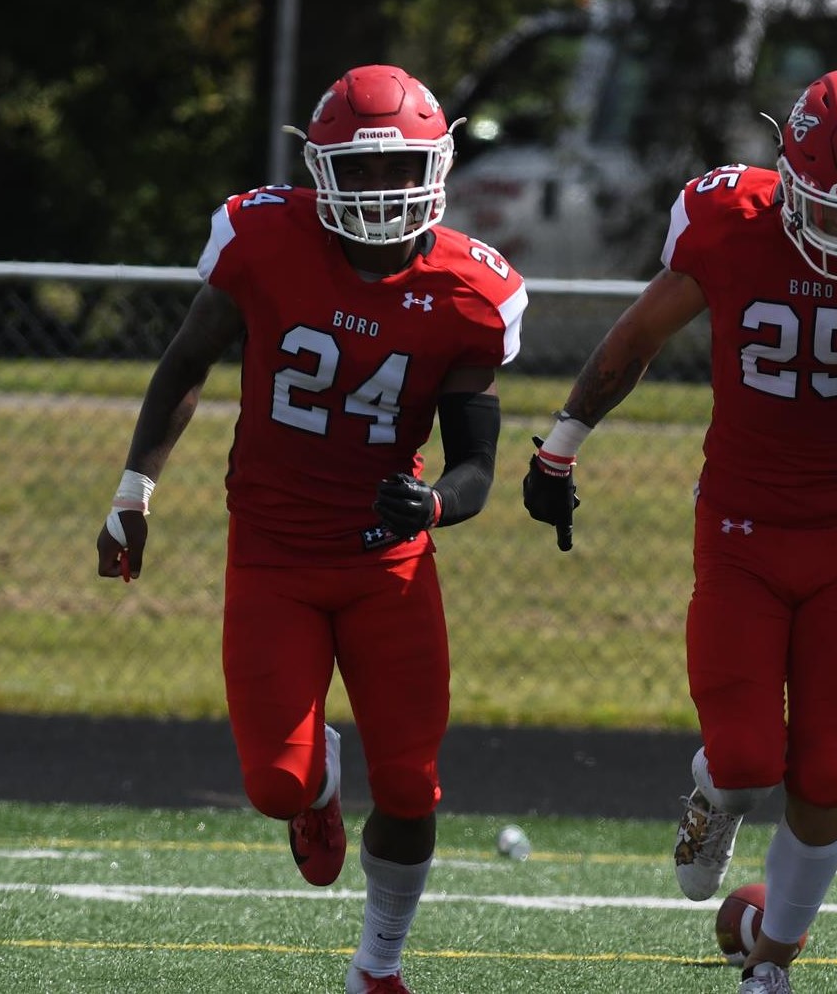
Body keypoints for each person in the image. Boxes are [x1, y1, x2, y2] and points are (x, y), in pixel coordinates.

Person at [521, 68, 837, 994]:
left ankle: (771, 961)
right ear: (785, 175)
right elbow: (638, 336)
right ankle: (714, 793)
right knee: (747, 764)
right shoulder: (730, 221)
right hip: (742, 530)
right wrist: (562, 446)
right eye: (831, 209)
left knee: (825, 772)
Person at [95, 64, 527, 994]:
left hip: (387, 564)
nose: (380, 190)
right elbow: (185, 364)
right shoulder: (264, 239)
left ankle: (377, 968)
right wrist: (133, 490)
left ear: (437, 165)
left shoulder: (469, 290)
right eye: (358, 170)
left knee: (410, 786)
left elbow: (476, 466)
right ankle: (318, 787)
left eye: (399, 166)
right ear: (319, 170)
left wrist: (437, 505)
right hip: (274, 555)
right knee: (276, 786)